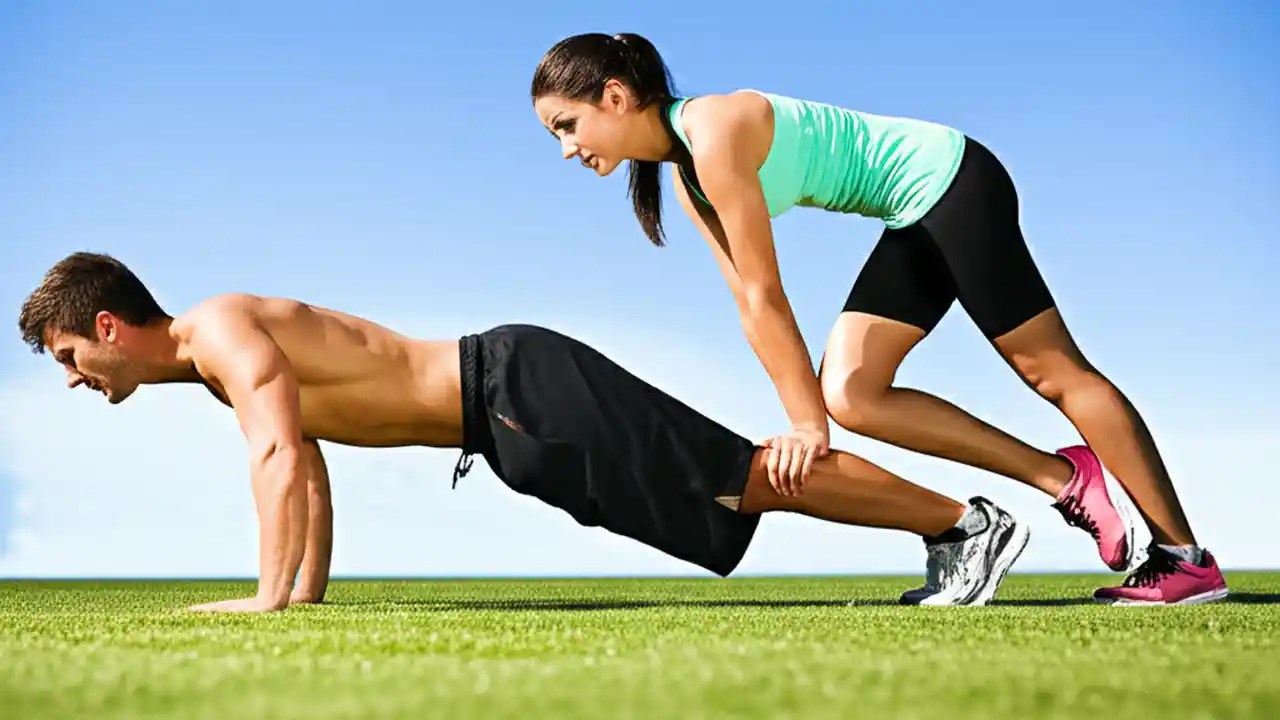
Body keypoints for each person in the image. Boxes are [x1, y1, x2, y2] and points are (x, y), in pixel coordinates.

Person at [528, 32, 1228, 605]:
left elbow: (769, 293)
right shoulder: (689, 180)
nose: (566, 148)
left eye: (567, 125)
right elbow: (749, 305)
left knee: (1052, 371)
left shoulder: (713, 132)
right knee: (853, 393)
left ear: (614, 97)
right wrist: (813, 417)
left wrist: (807, 430)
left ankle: (1184, 559)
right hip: (913, 213)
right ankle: (1064, 478)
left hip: (951, 182)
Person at [17, 252, 1038, 612]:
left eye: (68, 355)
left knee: (741, 476)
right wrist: (301, 597)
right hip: (508, 427)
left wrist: (264, 602)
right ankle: (957, 529)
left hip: (513, 386)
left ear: (107, 328)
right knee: (732, 492)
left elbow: (279, 455)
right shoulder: (210, 368)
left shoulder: (221, 329)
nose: (72, 379)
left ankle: (964, 524)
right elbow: (311, 468)